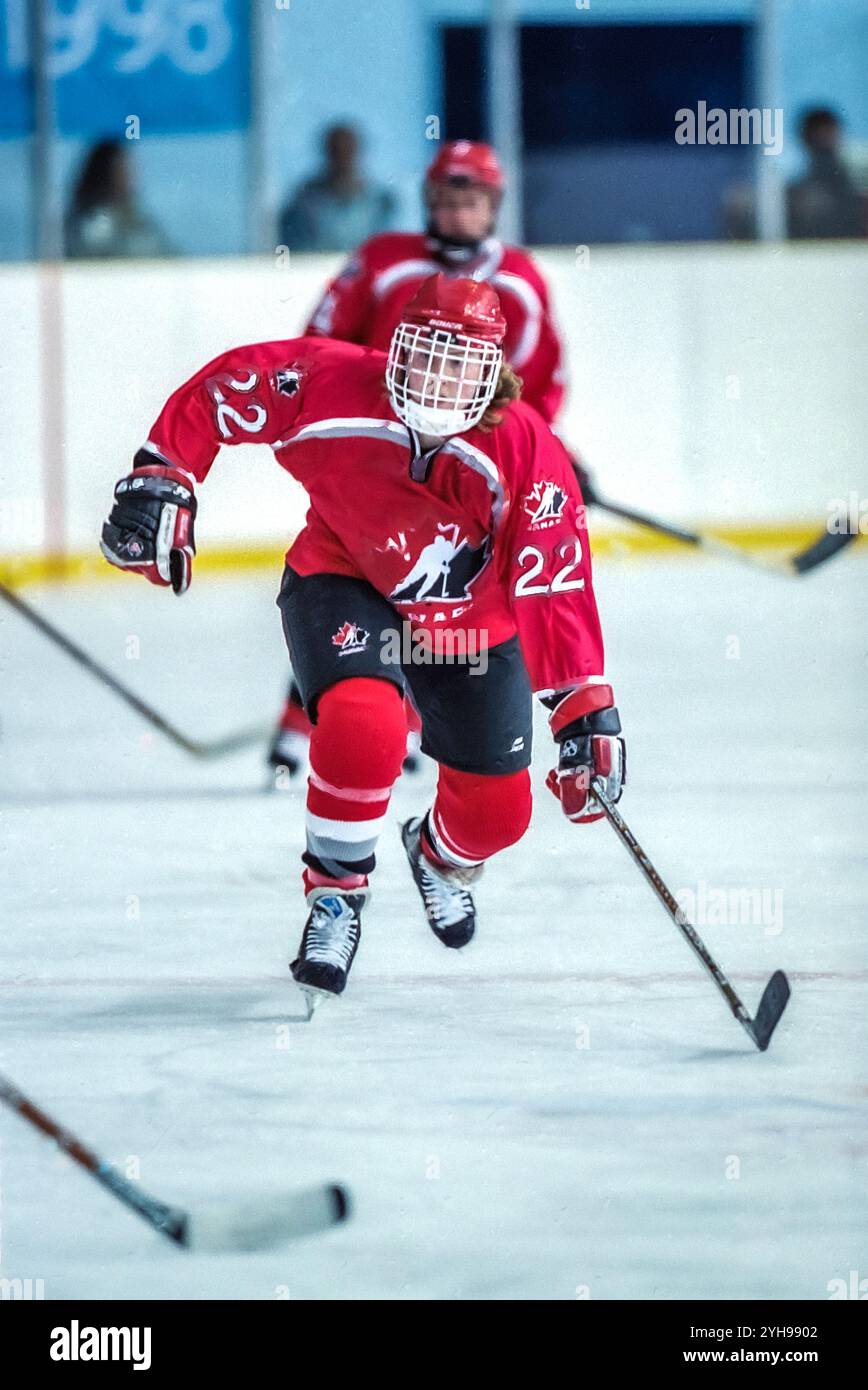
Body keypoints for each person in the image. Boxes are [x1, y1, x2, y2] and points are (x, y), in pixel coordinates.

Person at [100, 275, 625, 1013]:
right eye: (426, 356)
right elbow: (224, 387)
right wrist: (164, 471)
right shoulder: (331, 383)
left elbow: (553, 579)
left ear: (493, 376)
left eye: (459, 365)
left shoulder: (523, 449)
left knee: (498, 817)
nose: (437, 379)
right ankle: (335, 897)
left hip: (467, 624)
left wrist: (583, 709)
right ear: (396, 350)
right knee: (364, 724)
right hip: (345, 577)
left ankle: (436, 854)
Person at [268, 139, 590, 775]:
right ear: (427, 202)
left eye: (471, 200)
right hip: (378, 455)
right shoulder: (383, 261)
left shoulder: (520, 282)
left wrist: (545, 459)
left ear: (494, 205)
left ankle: (406, 720)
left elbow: (534, 383)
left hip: (466, 468)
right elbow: (318, 350)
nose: (457, 212)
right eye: (445, 198)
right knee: (351, 587)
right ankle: (305, 724)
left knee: (441, 595)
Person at [278, 124, 396, 253]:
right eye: (336, 151)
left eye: (347, 150)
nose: (342, 158)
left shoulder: (381, 202)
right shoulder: (303, 204)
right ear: (327, 153)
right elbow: (293, 251)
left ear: (357, 152)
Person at [65, 140, 174, 260]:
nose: (132, 176)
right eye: (124, 168)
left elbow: (166, 252)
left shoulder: (136, 217)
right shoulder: (94, 222)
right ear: (107, 173)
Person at [787, 108, 866, 241]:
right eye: (817, 140)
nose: (824, 145)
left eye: (828, 137)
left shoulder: (860, 188)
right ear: (806, 141)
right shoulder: (795, 198)